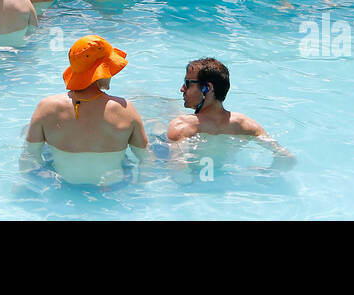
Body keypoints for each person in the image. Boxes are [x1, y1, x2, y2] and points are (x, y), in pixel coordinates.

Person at [22, 35, 149, 186]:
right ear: (103, 70)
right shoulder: (125, 110)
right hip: (112, 187)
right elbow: (146, 158)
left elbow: (30, 156)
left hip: (62, 186)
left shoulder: (46, 108)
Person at [167, 58, 295, 167]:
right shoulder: (244, 124)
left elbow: (178, 171)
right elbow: (287, 158)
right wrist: (269, 175)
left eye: (187, 83)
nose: (182, 89)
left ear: (208, 88)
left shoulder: (182, 126)